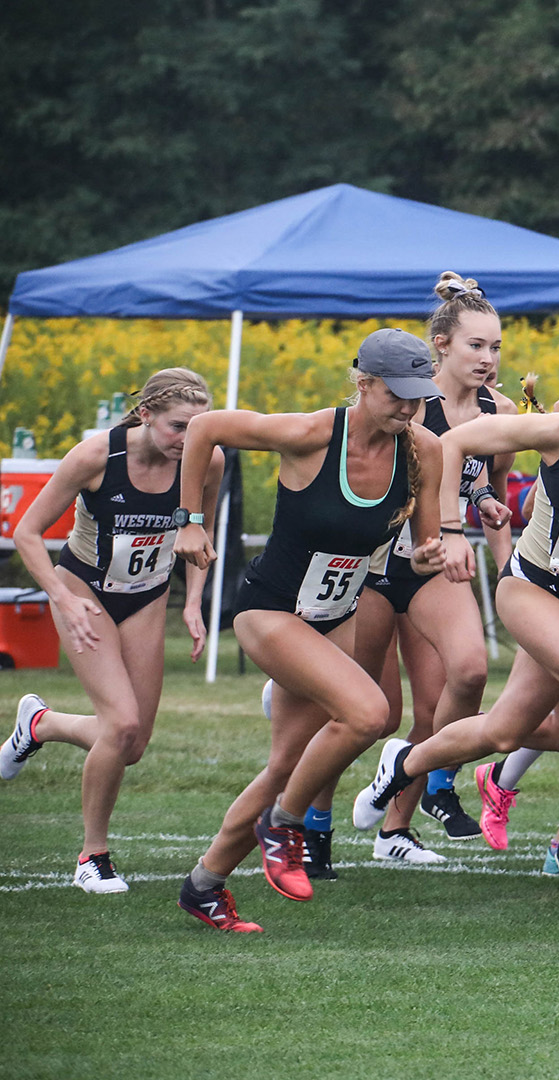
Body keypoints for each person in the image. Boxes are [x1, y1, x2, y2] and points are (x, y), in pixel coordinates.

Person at [350, 338, 559, 905]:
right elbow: (452, 444)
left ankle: (404, 762)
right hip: (530, 588)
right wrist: (452, 530)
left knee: (504, 731)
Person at [167, 329, 445, 932]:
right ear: (363, 383)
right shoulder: (312, 434)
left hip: (333, 615)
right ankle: (286, 824)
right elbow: (205, 428)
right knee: (371, 714)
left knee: (285, 766)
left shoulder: (424, 449)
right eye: (396, 394)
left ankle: (204, 885)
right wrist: (190, 521)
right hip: (270, 609)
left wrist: (434, 558)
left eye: (417, 397)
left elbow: (424, 545)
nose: (407, 408)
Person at [2, 369, 221, 893]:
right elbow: (26, 532)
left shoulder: (206, 459)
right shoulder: (96, 457)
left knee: (133, 743)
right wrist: (62, 599)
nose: (188, 440)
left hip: (148, 596)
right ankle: (92, 856)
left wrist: (193, 601)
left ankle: (41, 725)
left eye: (200, 428)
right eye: (178, 428)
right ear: (144, 415)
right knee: (119, 724)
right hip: (85, 591)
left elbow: (199, 532)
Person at [341, 273, 512, 866]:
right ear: (440, 344)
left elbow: (488, 489)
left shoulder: (501, 411)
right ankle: (307, 823)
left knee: (466, 675)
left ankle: (401, 823)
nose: (488, 359)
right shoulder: (406, 404)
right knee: (370, 711)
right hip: (371, 567)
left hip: (436, 563)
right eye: (475, 346)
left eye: (495, 348)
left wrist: (507, 559)